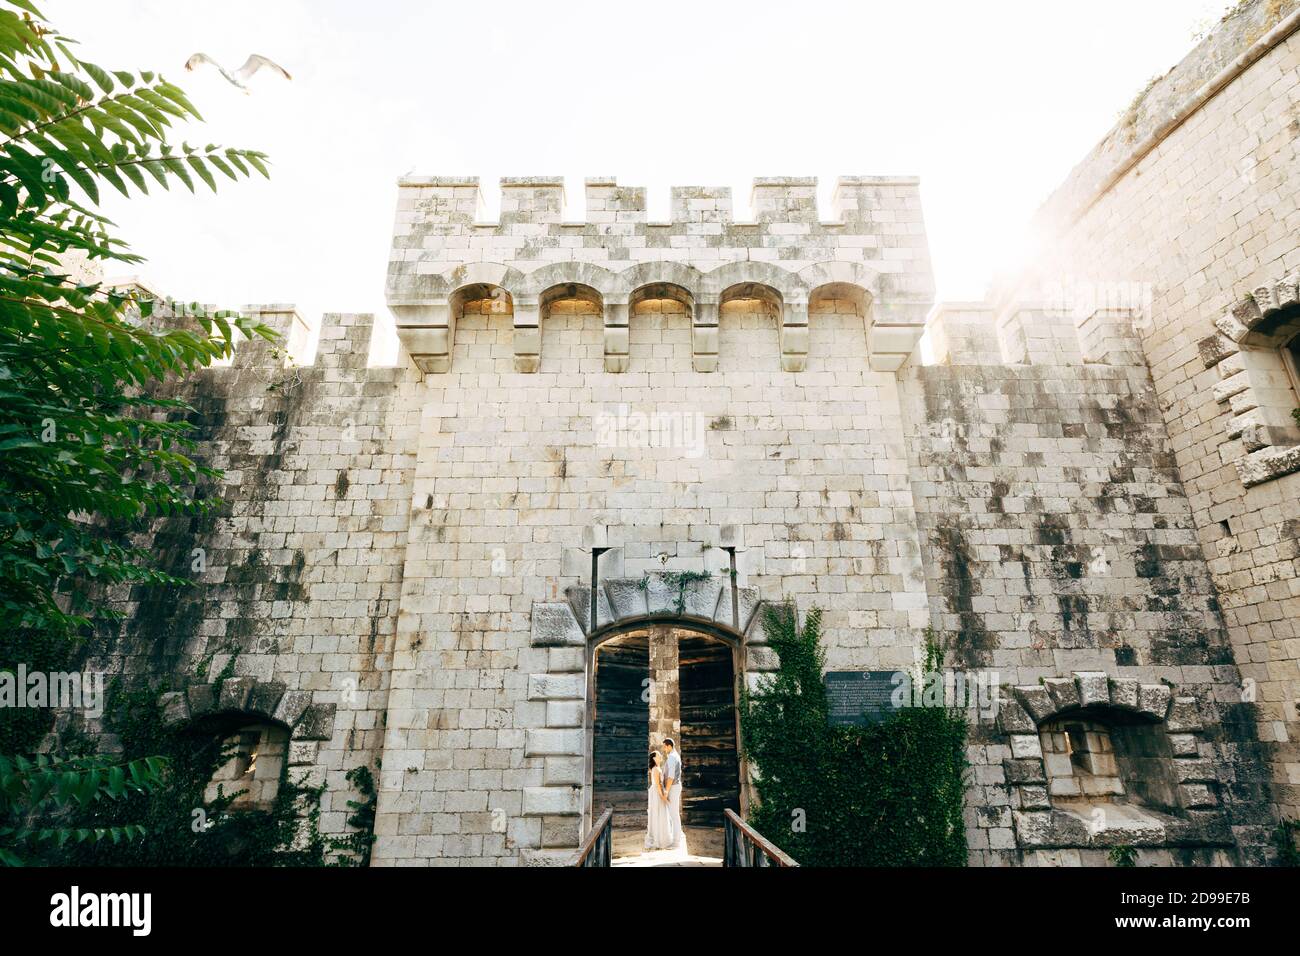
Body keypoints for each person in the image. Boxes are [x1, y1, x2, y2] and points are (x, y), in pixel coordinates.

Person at [645, 751, 671, 850]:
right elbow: (658, 785)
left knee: (661, 813)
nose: (660, 756)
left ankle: (661, 837)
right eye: (658, 755)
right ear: (654, 759)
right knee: (658, 813)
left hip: (656, 792)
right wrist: (663, 797)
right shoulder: (655, 769)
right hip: (656, 793)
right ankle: (657, 839)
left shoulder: (657, 768)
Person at [661, 737, 683, 848]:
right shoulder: (676, 756)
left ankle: (676, 842)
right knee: (674, 814)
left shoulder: (672, 757)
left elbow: (670, 777)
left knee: (674, 815)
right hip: (675, 786)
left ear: (669, 746)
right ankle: (676, 840)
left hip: (673, 787)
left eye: (664, 746)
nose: (664, 749)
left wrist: (666, 791)